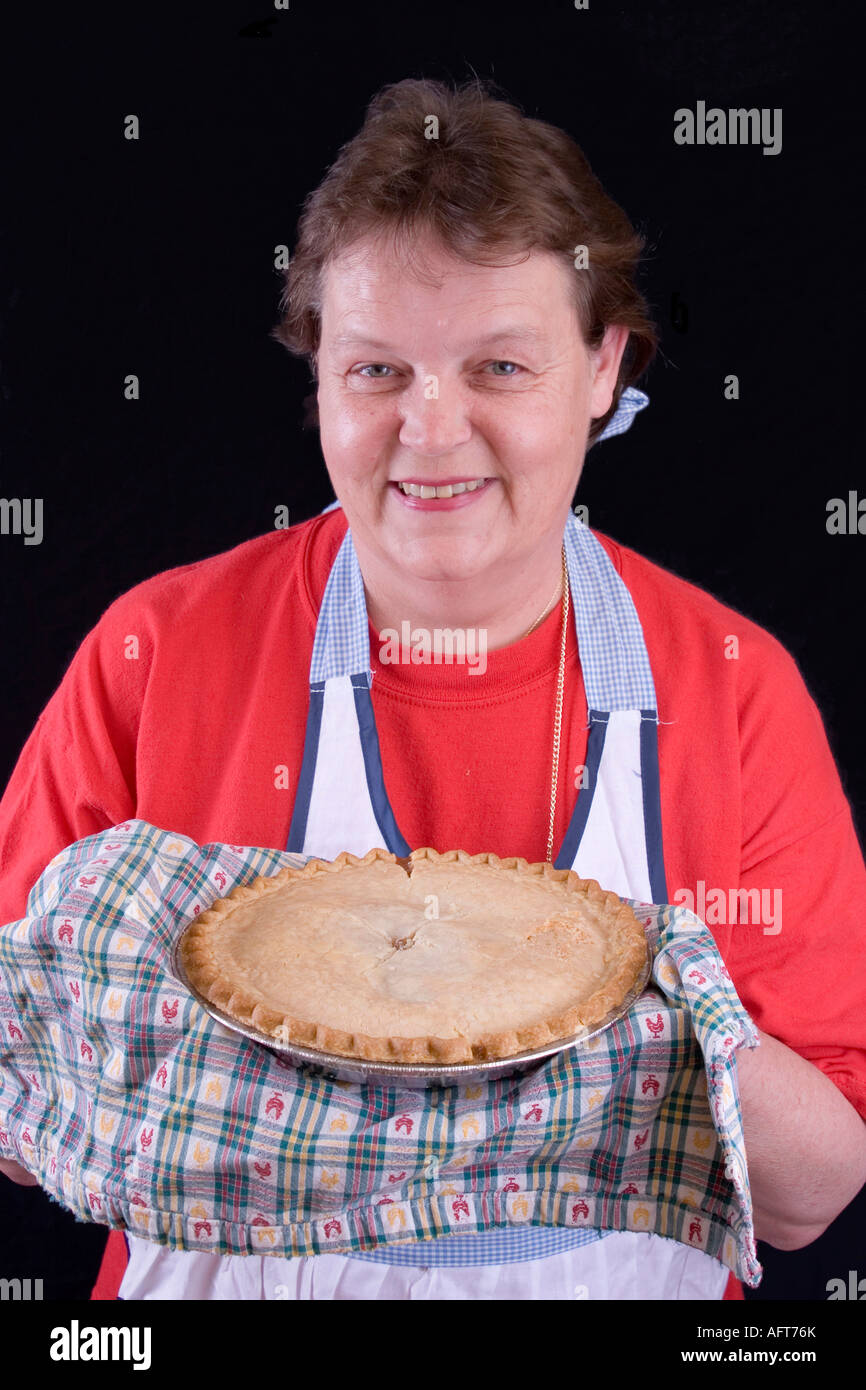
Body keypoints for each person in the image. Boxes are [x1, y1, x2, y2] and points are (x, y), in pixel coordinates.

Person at [2, 76, 865, 1301]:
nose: (431, 427)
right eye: (375, 372)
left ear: (600, 364)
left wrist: (651, 1031)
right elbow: (15, 1117)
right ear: (319, 380)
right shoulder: (156, 652)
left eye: (500, 366)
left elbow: (809, 1195)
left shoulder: (731, 691)